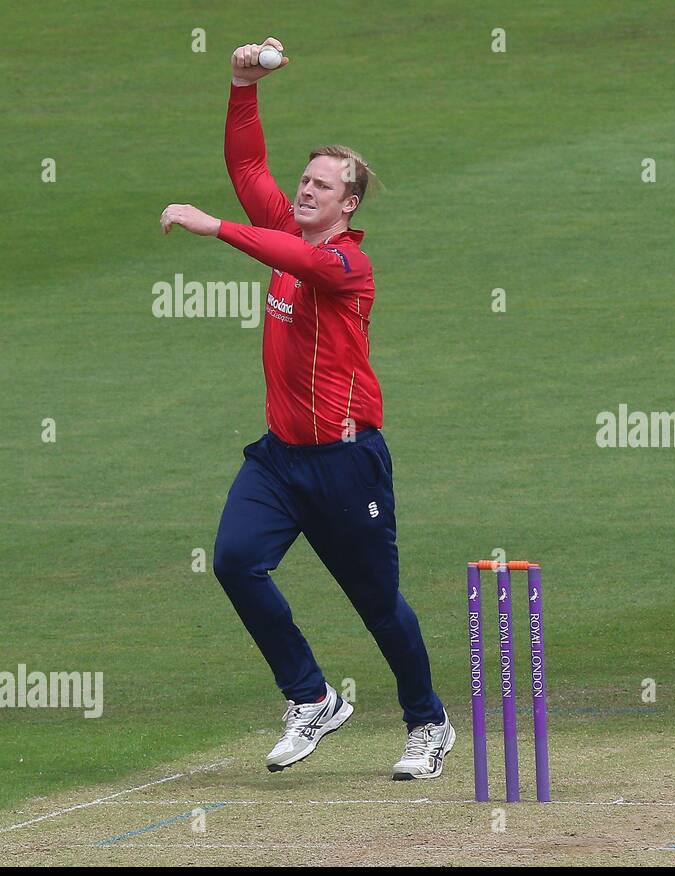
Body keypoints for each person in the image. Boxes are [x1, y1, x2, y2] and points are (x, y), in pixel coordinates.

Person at [159, 39, 454, 780]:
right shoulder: (289, 228)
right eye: (307, 180)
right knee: (234, 561)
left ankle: (428, 723)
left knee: (379, 606)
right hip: (282, 458)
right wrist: (240, 85)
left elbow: (302, 262)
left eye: (323, 185)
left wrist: (214, 226)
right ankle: (312, 697)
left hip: (346, 462)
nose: (307, 190)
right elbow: (247, 169)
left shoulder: (349, 263)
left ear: (348, 202)